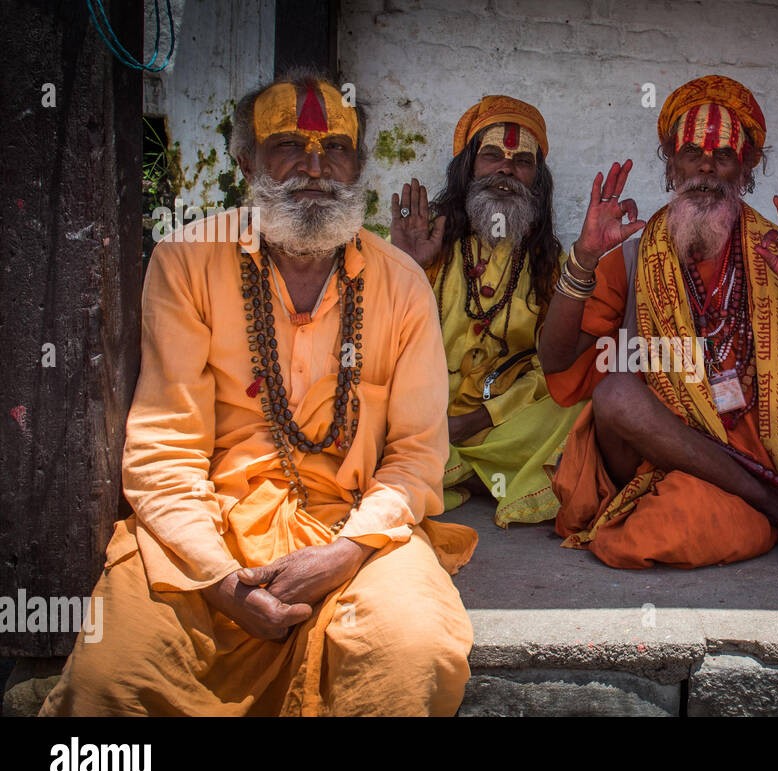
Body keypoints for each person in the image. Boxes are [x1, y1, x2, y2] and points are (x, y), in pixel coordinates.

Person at [40, 72, 477, 716]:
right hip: (206, 529)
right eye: (287, 146)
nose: (315, 167)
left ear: (359, 166)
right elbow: (165, 446)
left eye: (336, 148)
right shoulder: (188, 260)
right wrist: (220, 583)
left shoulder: (402, 283)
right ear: (246, 161)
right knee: (113, 679)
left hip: (355, 535)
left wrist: (344, 553)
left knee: (413, 656)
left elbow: (415, 459)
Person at [539, 75, 778, 570]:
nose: (706, 165)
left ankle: (749, 496)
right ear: (671, 165)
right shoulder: (635, 256)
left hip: (751, 453)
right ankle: (772, 504)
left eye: (723, 155)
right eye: (691, 152)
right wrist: (584, 259)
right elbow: (555, 361)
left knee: (675, 525)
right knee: (615, 393)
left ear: (744, 170)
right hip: (652, 452)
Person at [390, 96, 581, 526]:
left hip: (500, 422)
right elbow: (385, 339)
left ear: (537, 180)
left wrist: (477, 419)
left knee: (580, 399)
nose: (506, 169)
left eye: (522, 162)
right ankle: (479, 471)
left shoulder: (548, 264)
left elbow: (549, 367)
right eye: (492, 155)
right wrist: (409, 265)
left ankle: (460, 466)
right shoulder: (431, 241)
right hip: (422, 418)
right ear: (469, 168)